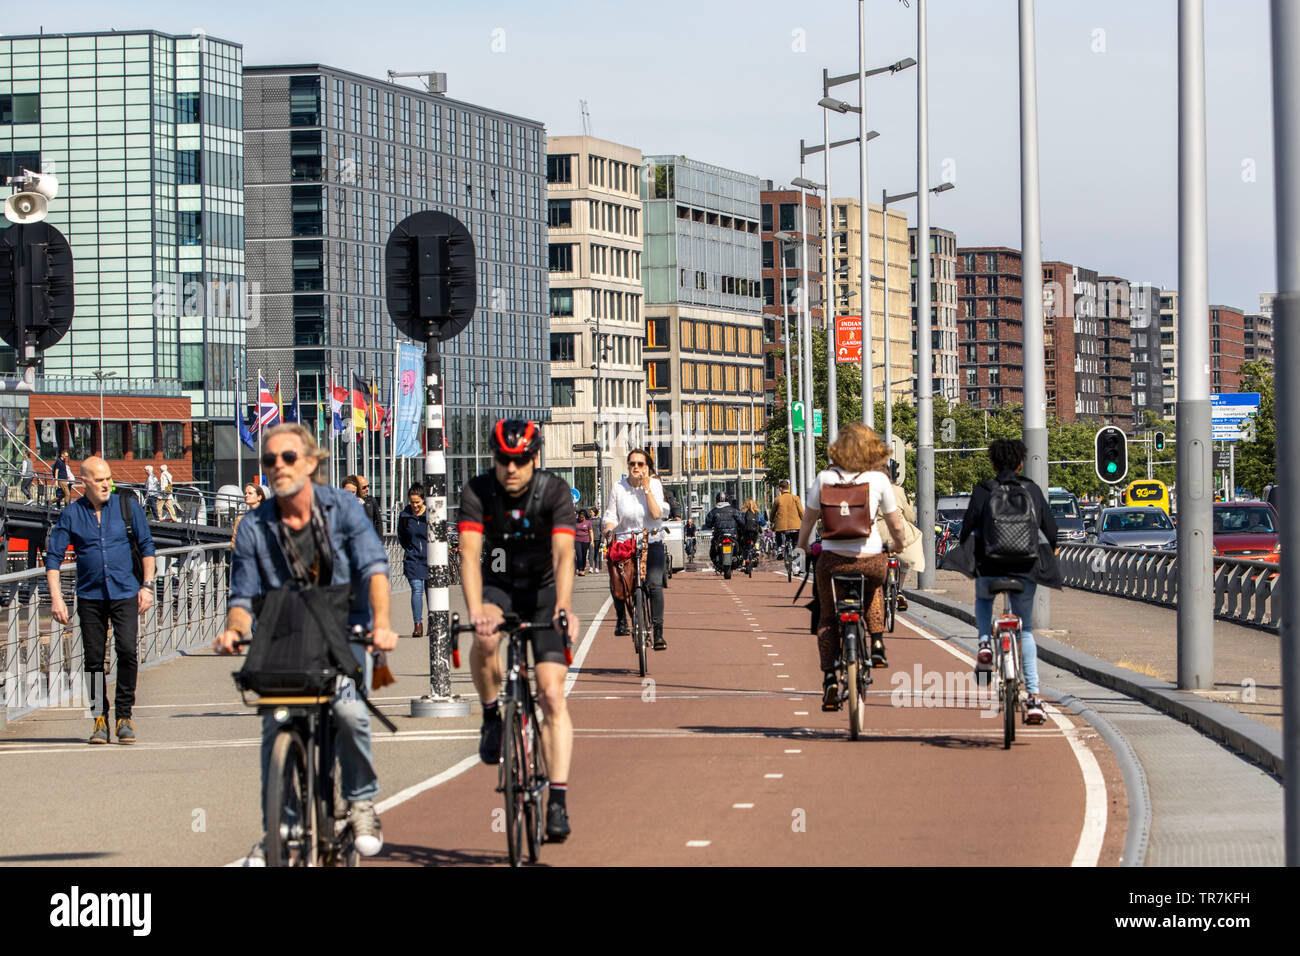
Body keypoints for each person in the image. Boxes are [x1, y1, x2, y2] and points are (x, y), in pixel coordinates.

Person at [214, 423, 398, 863]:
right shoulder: (255, 525)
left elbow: (374, 568)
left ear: (312, 463)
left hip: (345, 629)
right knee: (274, 723)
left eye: (288, 457)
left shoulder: (343, 509)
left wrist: (384, 625)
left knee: (350, 712)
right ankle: (279, 825)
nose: (278, 466)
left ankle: (360, 803)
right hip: (287, 632)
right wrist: (235, 630)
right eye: (269, 460)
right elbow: (242, 595)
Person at [458, 419, 579, 842]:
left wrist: (564, 606)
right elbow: (470, 554)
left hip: (544, 590)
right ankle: (493, 715)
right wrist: (476, 611)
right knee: (486, 636)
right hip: (499, 583)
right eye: (503, 461)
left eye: (521, 461)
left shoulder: (554, 492)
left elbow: (565, 553)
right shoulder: (477, 491)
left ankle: (558, 801)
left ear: (535, 459)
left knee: (550, 693)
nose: (511, 469)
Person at [795, 423, 909, 710]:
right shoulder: (878, 480)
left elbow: (808, 521)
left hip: (831, 561)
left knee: (826, 615)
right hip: (869, 559)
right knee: (874, 591)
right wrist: (898, 545)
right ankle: (879, 643)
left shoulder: (823, 478)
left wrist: (802, 546)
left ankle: (830, 679)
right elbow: (895, 524)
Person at [46, 456, 157, 744]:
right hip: (90, 596)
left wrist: (147, 586)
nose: (106, 484)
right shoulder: (72, 514)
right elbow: (53, 558)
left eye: (108, 478)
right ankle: (99, 719)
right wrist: (57, 600)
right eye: (99, 479)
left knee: (128, 651)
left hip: (125, 592)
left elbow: (147, 547)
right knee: (94, 660)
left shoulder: (127, 507)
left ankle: (124, 716)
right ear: (85, 482)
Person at [957, 437, 1060, 725]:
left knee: (983, 598)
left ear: (993, 462)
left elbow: (966, 529)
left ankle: (984, 644)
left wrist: (968, 547)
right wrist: (1052, 547)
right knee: (1025, 630)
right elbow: (1051, 530)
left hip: (990, 565)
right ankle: (1035, 699)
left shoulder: (983, 490)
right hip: (1025, 568)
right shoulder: (1032, 490)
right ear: (1020, 463)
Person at [603, 448, 669, 648]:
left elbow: (656, 514)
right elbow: (611, 516)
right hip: (626, 542)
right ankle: (622, 619)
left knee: (654, 584)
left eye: (640, 464)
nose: (636, 468)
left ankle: (658, 633)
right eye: (632, 464)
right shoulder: (618, 487)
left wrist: (647, 488)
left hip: (652, 541)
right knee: (617, 580)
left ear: (647, 467)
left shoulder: (655, 485)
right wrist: (608, 530)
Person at [879, 460, 916, 612]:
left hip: (878, 533)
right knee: (906, 560)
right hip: (896, 533)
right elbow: (909, 516)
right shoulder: (898, 491)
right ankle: (899, 589)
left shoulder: (869, 490)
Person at [396, 483, 429, 637]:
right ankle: (418, 624)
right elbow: (402, 536)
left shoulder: (430, 514)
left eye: (418, 502)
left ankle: (434, 621)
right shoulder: (405, 516)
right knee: (417, 589)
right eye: (412, 502)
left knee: (431, 592)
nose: (415, 505)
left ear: (424, 499)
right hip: (413, 559)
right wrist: (410, 549)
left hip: (430, 559)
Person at [704, 491, 740, 571]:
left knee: (713, 549)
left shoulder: (713, 511)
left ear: (717, 500)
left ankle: (717, 563)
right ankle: (738, 560)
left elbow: (708, 523)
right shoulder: (734, 511)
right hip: (732, 535)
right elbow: (741, 521)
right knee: (739, 546)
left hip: (719, 536)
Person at [769, 479, 804, 556]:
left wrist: (771, 520)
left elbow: (773, 513)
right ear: (788, 488)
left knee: (778, 534)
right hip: (795, 526)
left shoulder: (777, 499)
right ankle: (797, 560)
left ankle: (779, 549)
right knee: (796, 543)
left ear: (780, 488)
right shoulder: (796, 498)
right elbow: (801, 512)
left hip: (781, 527)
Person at [739, 498, 762, 566]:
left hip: (746, 533)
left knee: (744, 546)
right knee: (758, 537)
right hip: (755, 532)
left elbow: (740, 522)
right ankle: (757, 548)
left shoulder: (743, 513)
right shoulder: (757, 513)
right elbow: (762, 522)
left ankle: (743, 561)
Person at [574, 509, 592, 576]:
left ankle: (583, 569)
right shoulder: (575, 521)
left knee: (584, 555)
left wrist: (592, 540)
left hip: (585, 541)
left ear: (584, 517)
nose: (581, 519)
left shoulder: (588, 522)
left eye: (582, 517)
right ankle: (580, 569)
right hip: (577, 540)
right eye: (580, 517)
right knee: (579, 555)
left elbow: (591, 531)